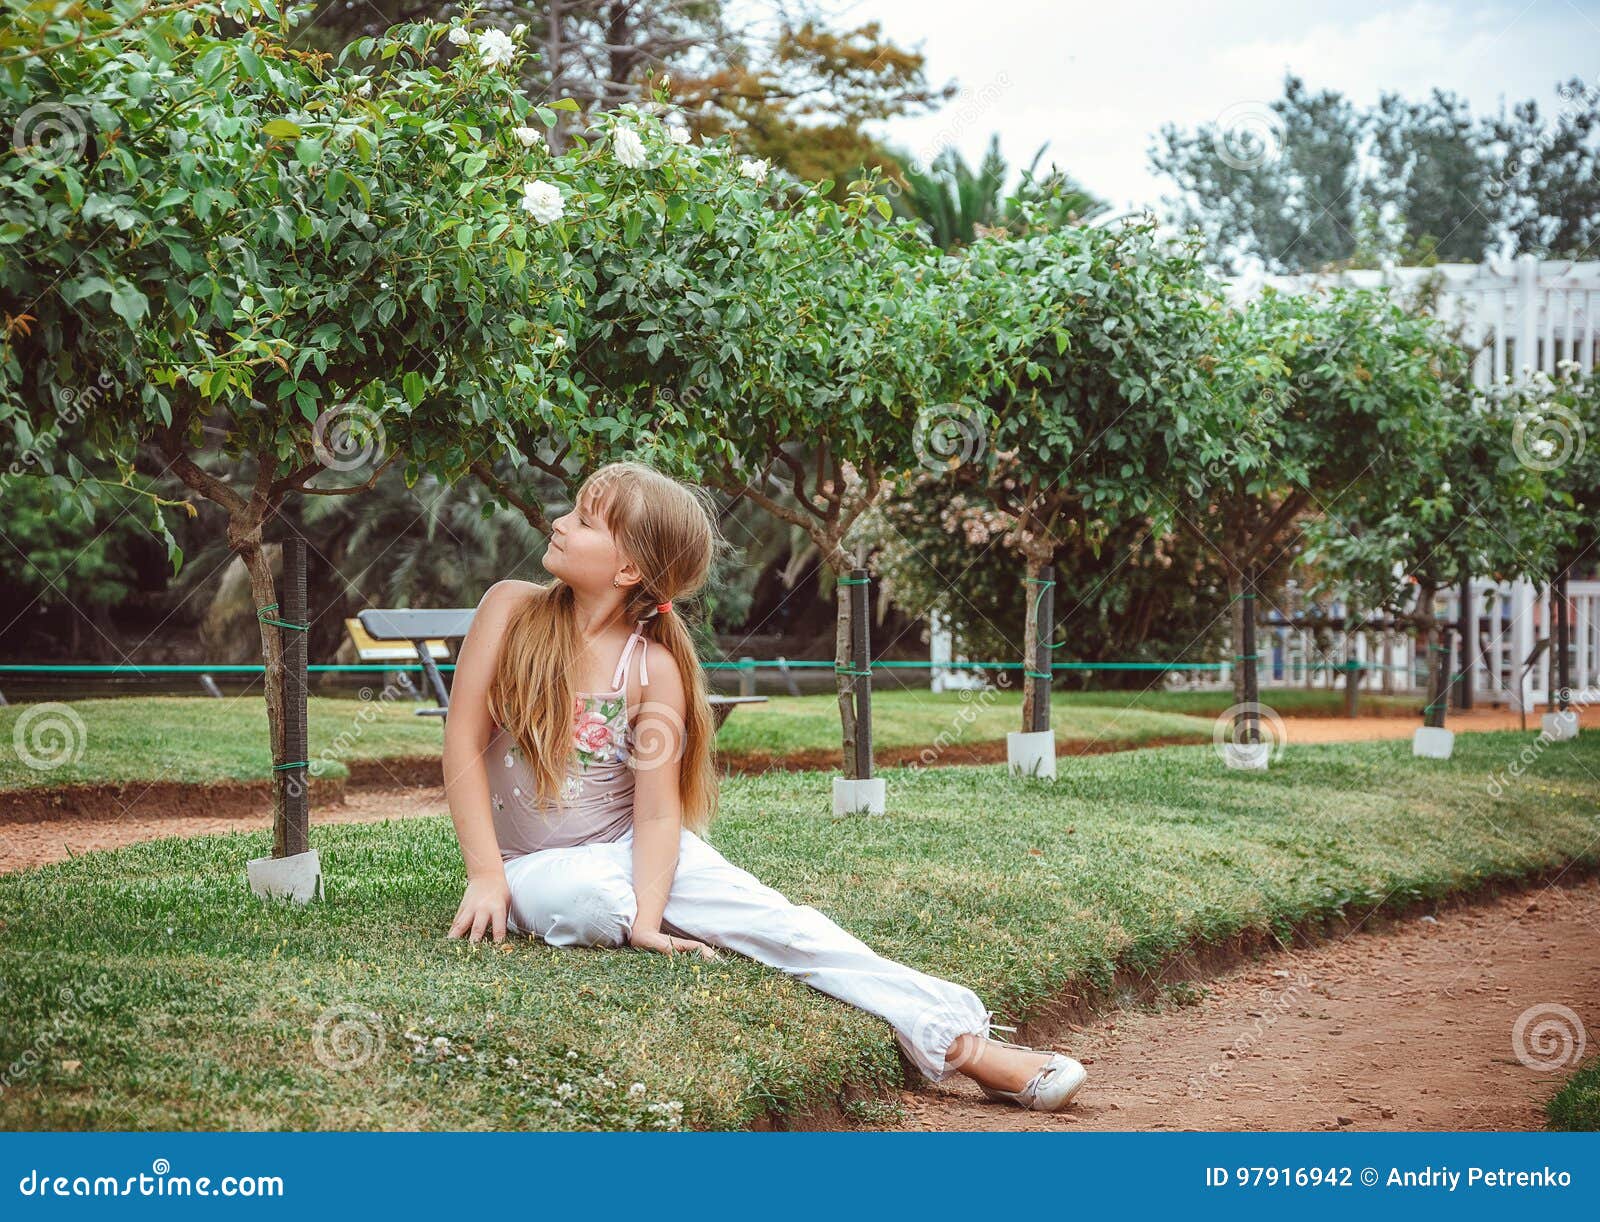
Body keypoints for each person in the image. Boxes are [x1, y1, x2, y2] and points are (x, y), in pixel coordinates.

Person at [442, 460, 1086, 1112]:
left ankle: (975, 1052)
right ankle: (624, 907)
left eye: (582, 520)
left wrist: (647, 917)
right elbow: (462, 746)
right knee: (593, 901)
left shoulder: (653, 668)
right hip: (529, 865)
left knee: (784, 926)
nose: (558, 523)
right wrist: (487, 875)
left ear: (629, 569)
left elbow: (659, 816)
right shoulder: (509, 609)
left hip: (630, 846)